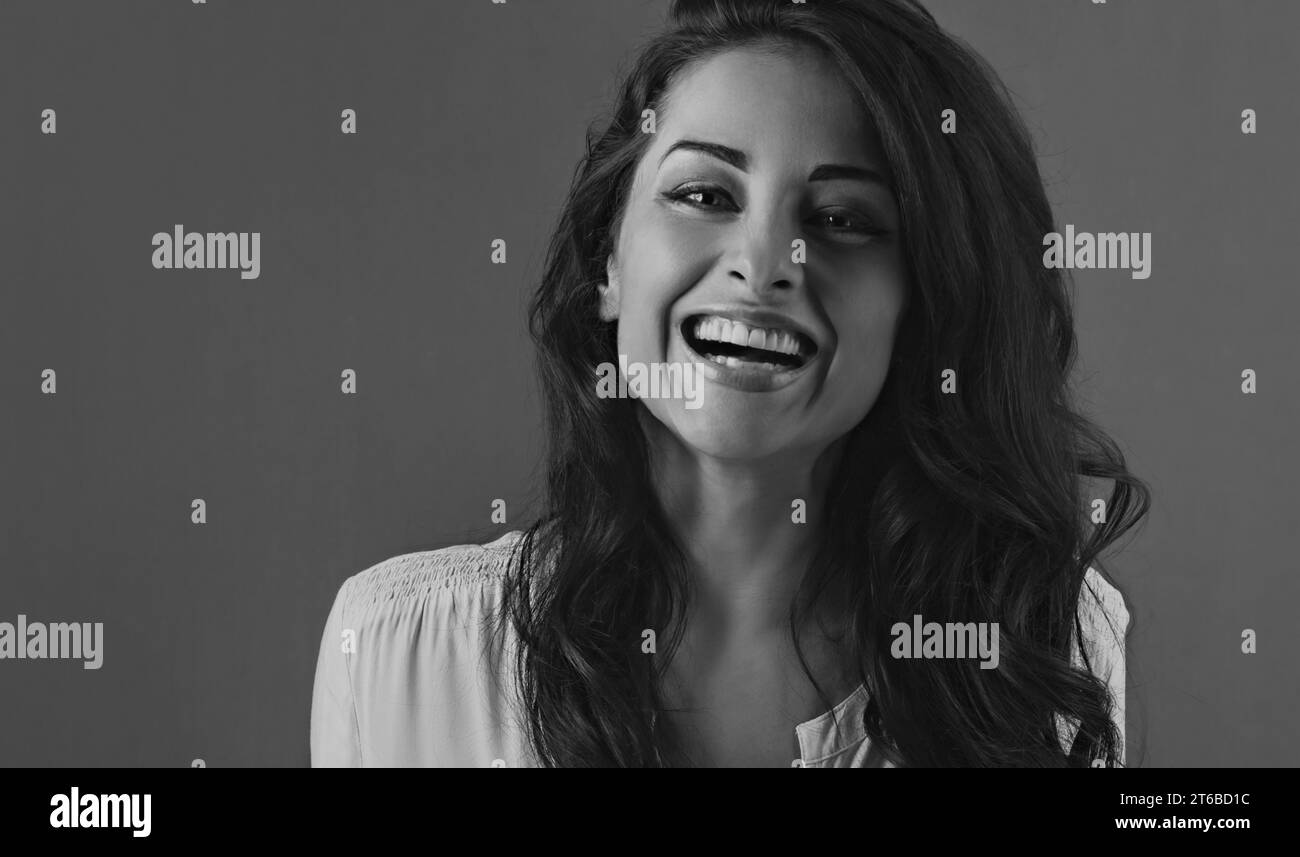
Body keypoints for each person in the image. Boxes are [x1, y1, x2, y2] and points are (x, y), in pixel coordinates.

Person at [311, 0, 1151, 768]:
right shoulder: (396, 651)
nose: (762, 263)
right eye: (705, 193)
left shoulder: (1051, 644)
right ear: (610, 262)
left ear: (923, 302)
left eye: (840, 219)